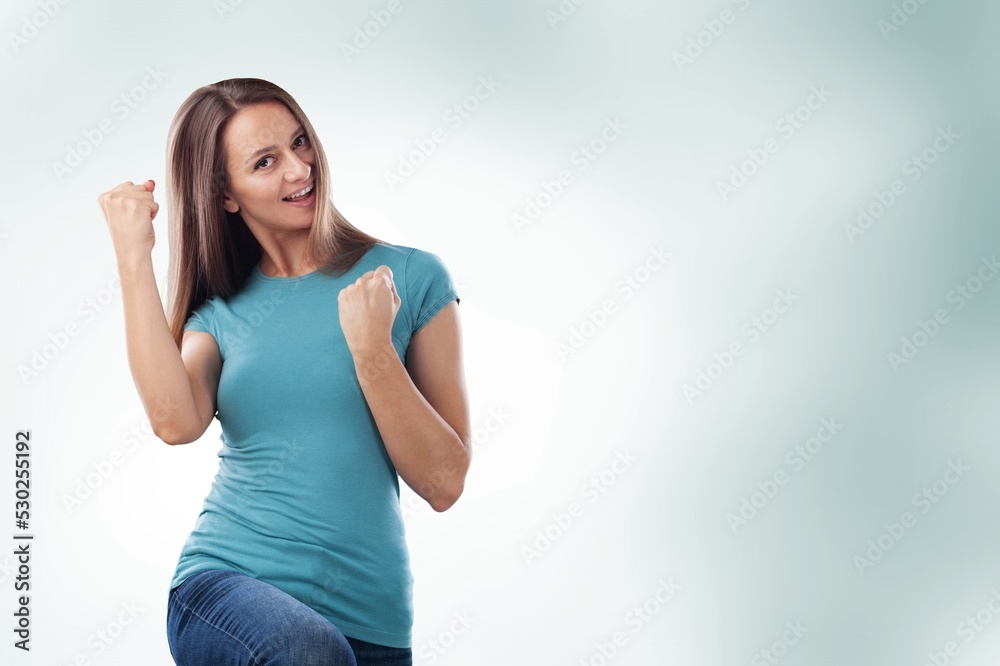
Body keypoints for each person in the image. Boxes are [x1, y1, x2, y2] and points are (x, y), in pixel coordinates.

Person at [97, 78, 472, 665]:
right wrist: (131, 256)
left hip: (372, 625)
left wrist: (373, 352)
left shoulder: (409, 278)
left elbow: (443, 484)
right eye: (266, 161)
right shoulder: (220, 313)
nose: (300, 170)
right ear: (225, 194)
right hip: (229, 587)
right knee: (308, 650)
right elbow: (175, 422)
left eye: (300, 143)